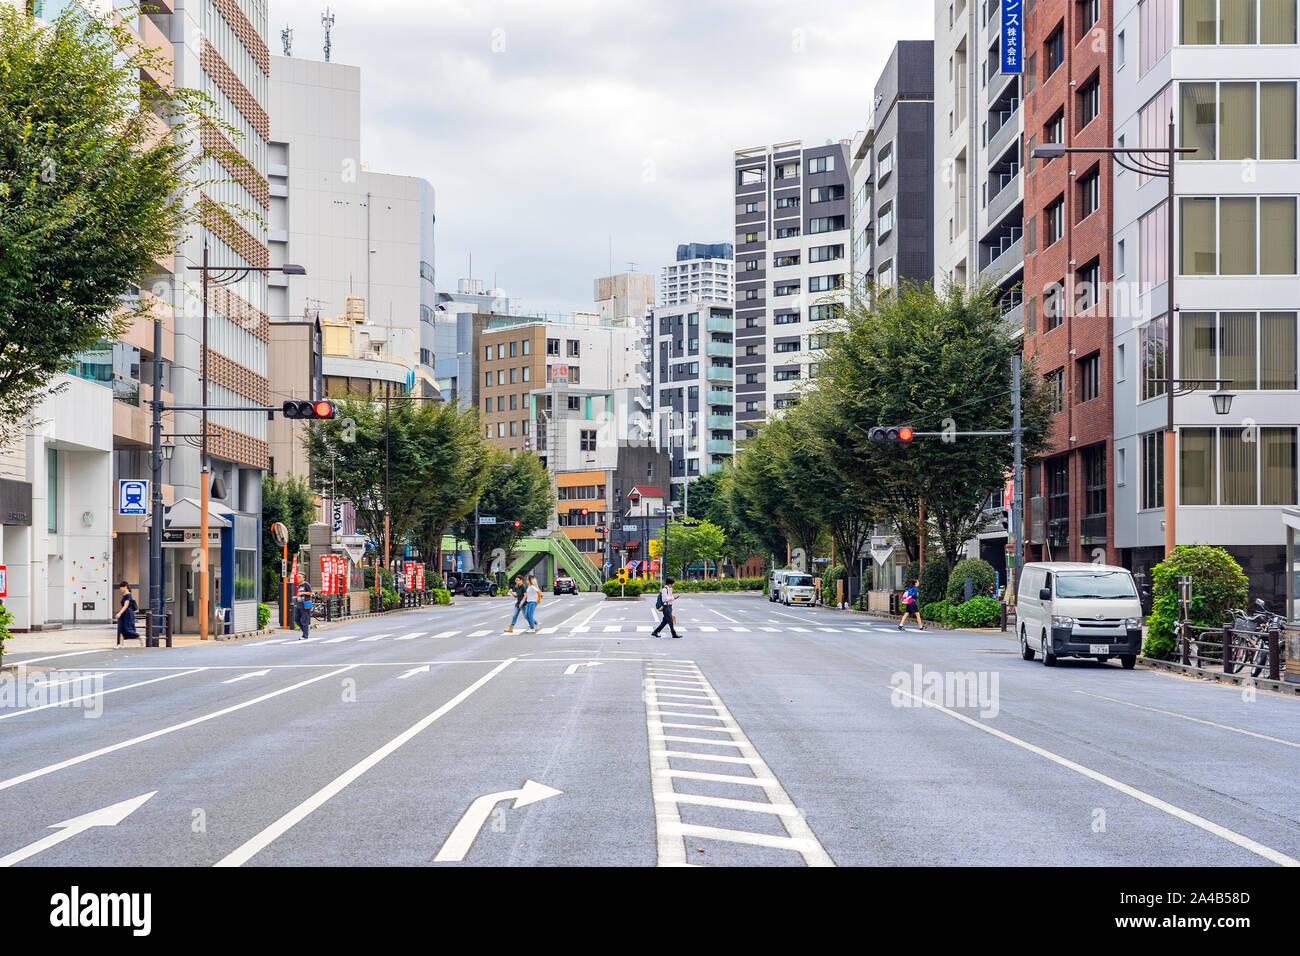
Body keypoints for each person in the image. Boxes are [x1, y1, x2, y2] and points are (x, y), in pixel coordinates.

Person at [115, 581, 139, 645]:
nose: (120, 589)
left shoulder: (128, 595)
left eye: (121, 588)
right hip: (124, 614)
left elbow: (126, 606)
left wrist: (119, 613)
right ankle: (120, 644)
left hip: (127, 614)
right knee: (121, 628)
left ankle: (140, 637)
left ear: (125, 587)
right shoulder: (124, 595)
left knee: (127, 629)